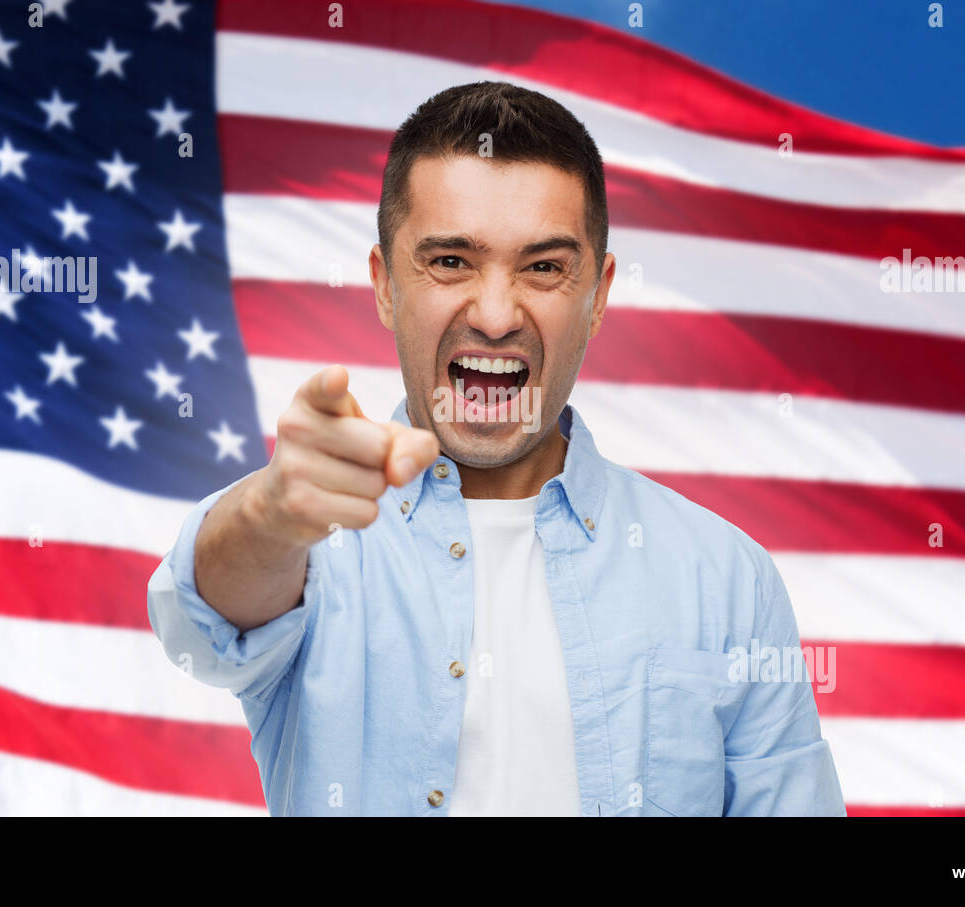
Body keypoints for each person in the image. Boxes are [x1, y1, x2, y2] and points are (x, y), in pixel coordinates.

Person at [147, 80, 846, 816]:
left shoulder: (727, 578)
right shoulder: (310, 538)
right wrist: (267, 514)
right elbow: (200, 626)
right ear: (385, 285)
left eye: (544, 267)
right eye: (450, 260)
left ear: (598, 294)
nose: (494, 313)